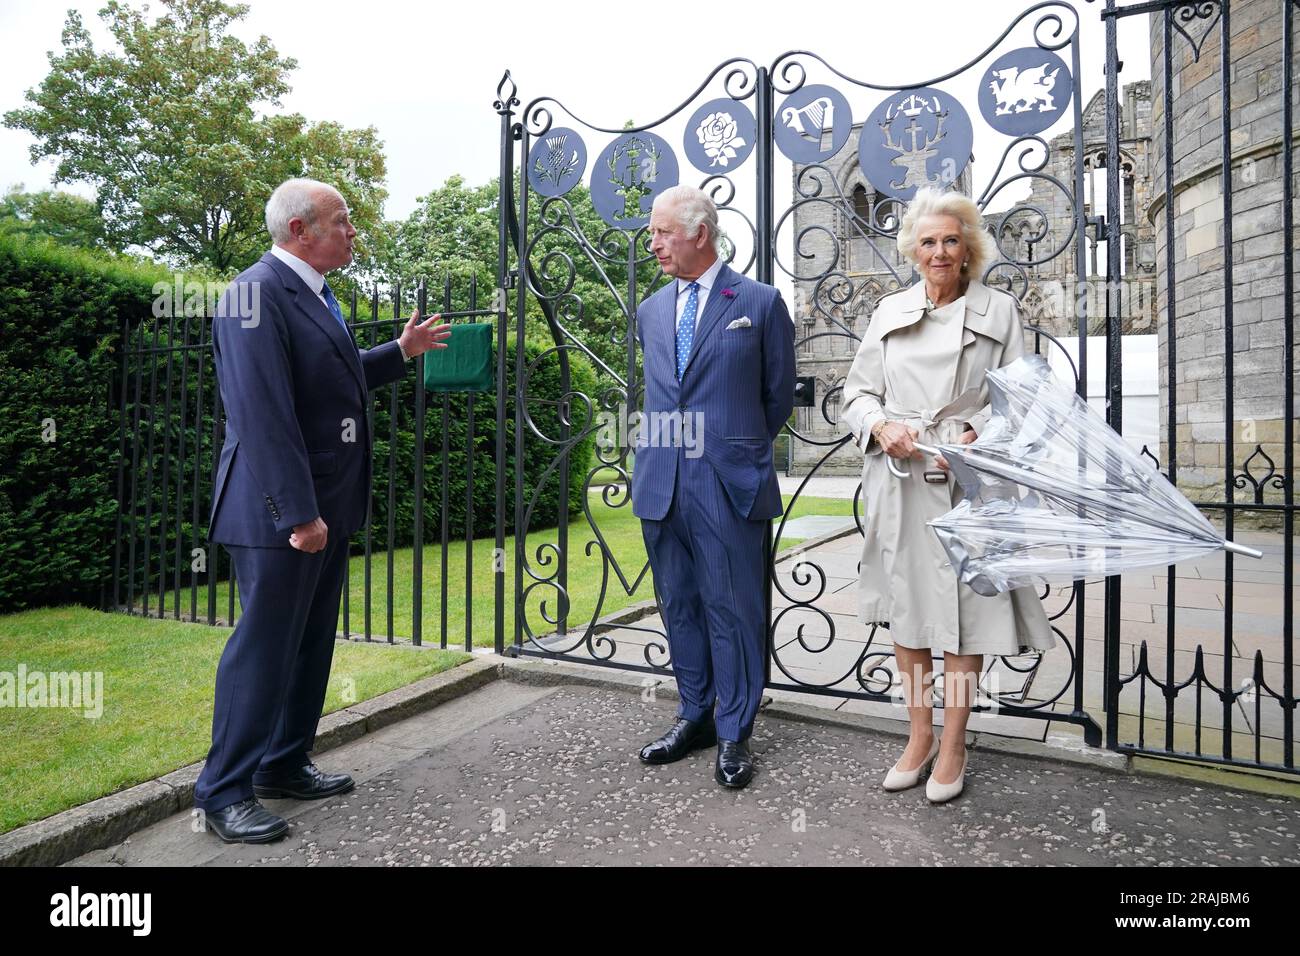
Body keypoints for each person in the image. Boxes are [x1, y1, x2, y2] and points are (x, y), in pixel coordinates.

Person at [193, 178, 452, 843]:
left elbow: (329, 376)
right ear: (300, 230)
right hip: (278, 514)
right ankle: (223, 793)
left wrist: (400, 353)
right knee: (264, 648)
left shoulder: (314, 293)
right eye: (342, 220)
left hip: (324, 508)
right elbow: (263, 414)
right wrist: (298, 514)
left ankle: (282, 764)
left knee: (309, 643)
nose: (352, 231)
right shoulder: (254, 293)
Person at [838, 186, 1054, 804]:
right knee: (908, 612)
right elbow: (857, 393)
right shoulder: (889, 311)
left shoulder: (1000, 311)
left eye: (950, 241)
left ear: (968, 249)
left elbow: (1021, 398)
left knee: (966, 616)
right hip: (901, 478)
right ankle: (918, 736)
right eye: (928, 241)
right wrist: (882, 426)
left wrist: (977, 431)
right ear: (913, 250)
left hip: (970, 481)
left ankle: (953, 744)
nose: (939, 252)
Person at [631, 184, 795, 789]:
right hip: (661, 481)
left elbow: (777, 397)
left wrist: (733, 448)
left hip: (727, 481)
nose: (654, 244)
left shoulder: (759, 302)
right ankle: (695, 715)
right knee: (680, 603)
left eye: (662, 232)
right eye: (653, 233)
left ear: (700, 233)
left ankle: (734, 731)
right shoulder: (651, 310)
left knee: (732, 608)